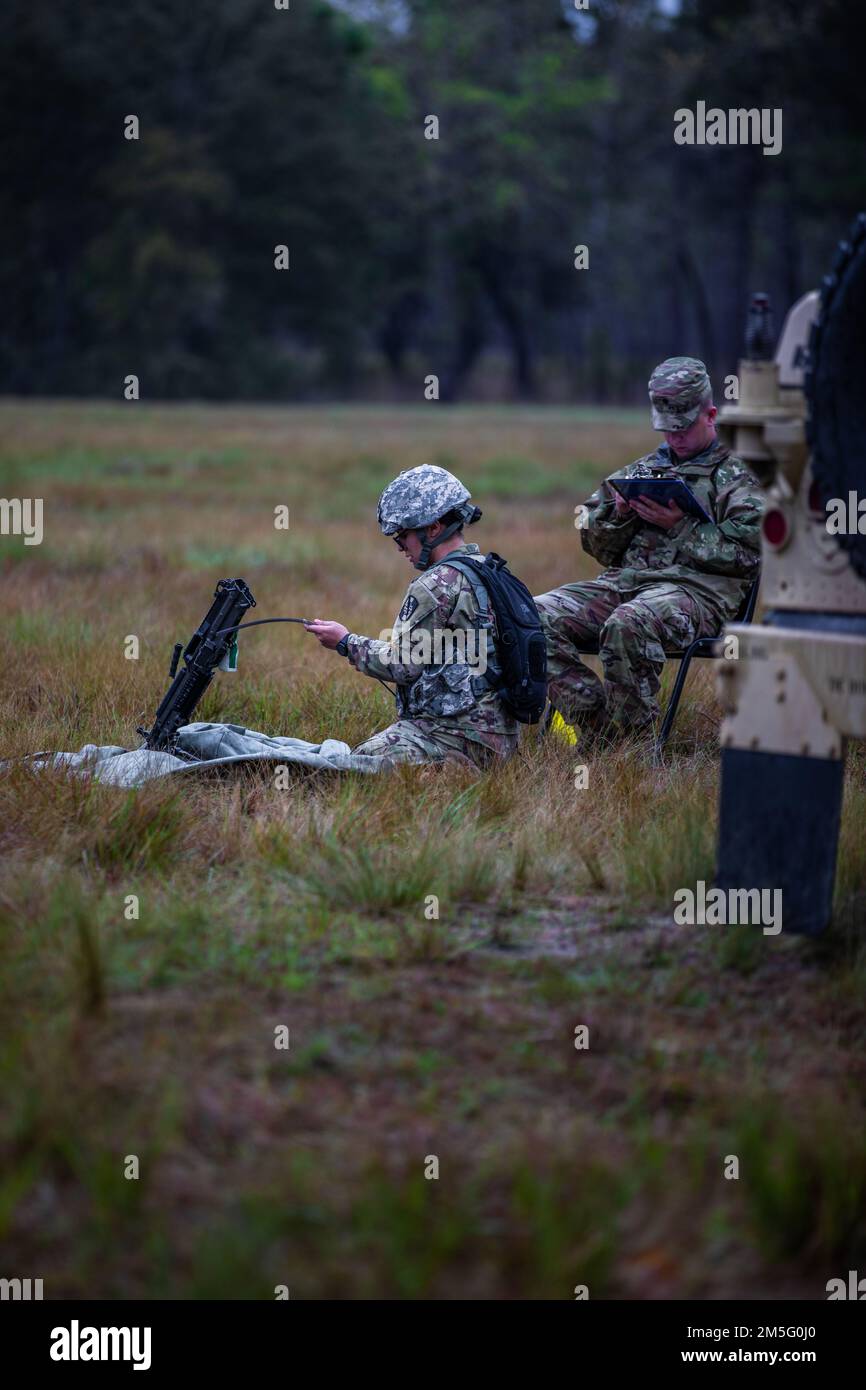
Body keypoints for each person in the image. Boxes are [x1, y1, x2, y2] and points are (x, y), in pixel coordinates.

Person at [536, 357, 764, 739]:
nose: (674, 437)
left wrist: (681, 528)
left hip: (698, 596)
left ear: (710, 415)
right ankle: (595, 722)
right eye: (666, 429)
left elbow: (750, 556)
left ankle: (631, 747)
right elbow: (594, 542)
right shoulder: (643, 471)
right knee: (529, 616)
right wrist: (621, 516)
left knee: (629, 623)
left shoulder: (738, 478)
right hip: (625, 584)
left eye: (684, 427)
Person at [305, 465, 519, 766]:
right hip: (503, 741)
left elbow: (403, 666)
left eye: (402, 536)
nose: (400, 547)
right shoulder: (491, 570)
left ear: (432, 528)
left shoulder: (435, 584)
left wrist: (345, 642)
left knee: (360, 760)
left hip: (457, 737)